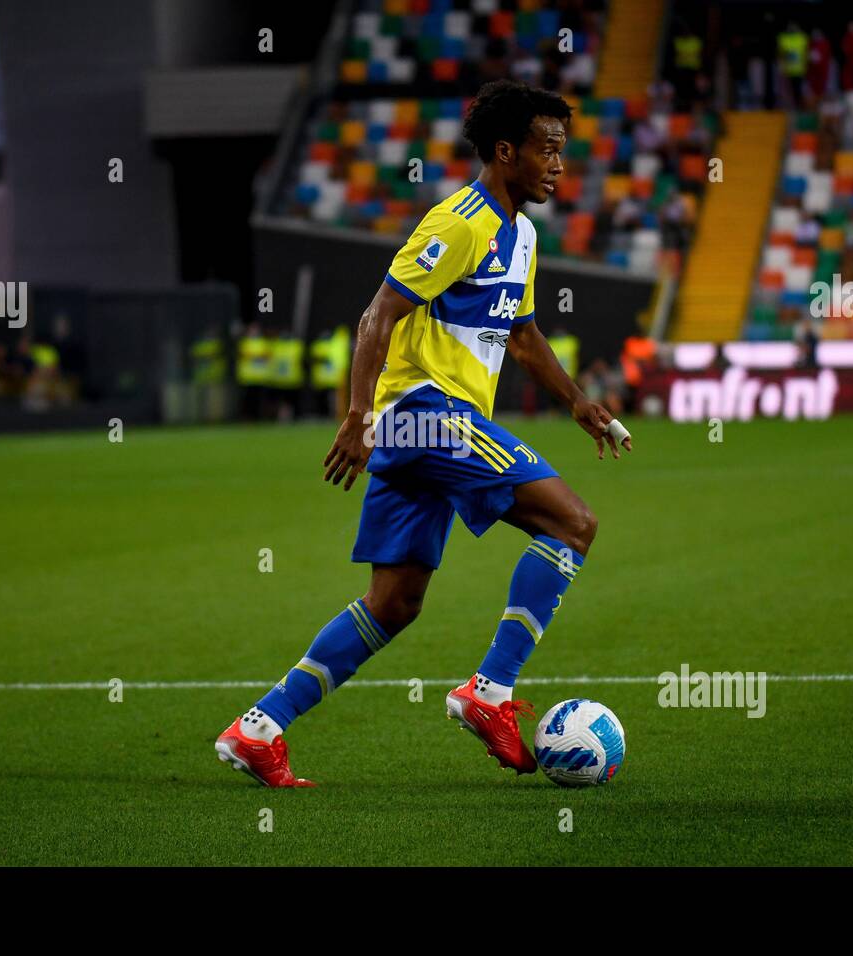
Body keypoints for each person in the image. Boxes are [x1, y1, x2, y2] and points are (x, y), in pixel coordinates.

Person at [214, 80, 632, 787]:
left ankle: (259, 728)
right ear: (506, 152)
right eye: (549, 150)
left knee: (396, 602)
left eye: (564, 150)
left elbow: (523, 335)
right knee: (573, 524)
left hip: (427, 430)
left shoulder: (521, 234)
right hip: (428, 414)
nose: (561, 165)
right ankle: (490, 691)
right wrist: (358, 415)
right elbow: (379, 313)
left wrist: (577, 402)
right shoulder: (459, 223)